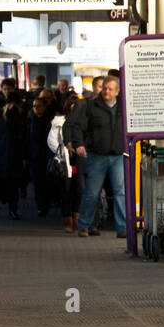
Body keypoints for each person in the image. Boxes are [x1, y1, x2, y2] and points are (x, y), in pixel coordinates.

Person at [67, 74, 126, 238]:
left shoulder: (123, 107)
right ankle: (84, 225)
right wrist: (78, 143)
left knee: (120, 192)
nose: (106, 91)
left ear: (117, 91)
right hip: (97, 155)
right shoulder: (91, 106)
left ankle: (122, 228)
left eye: (109, 89)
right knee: (92, 193)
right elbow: (78, 127)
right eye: (104, 88)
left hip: (117, 156)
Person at [49, 93, 81, 233]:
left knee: (79, 190)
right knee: (67, 192)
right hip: (66, 161)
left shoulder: (84, 121)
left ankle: (78, 219)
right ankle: (67, 221)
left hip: (79, 161)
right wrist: (61, 152)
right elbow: (51, 140)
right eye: (72, 108)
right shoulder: (59, 122)